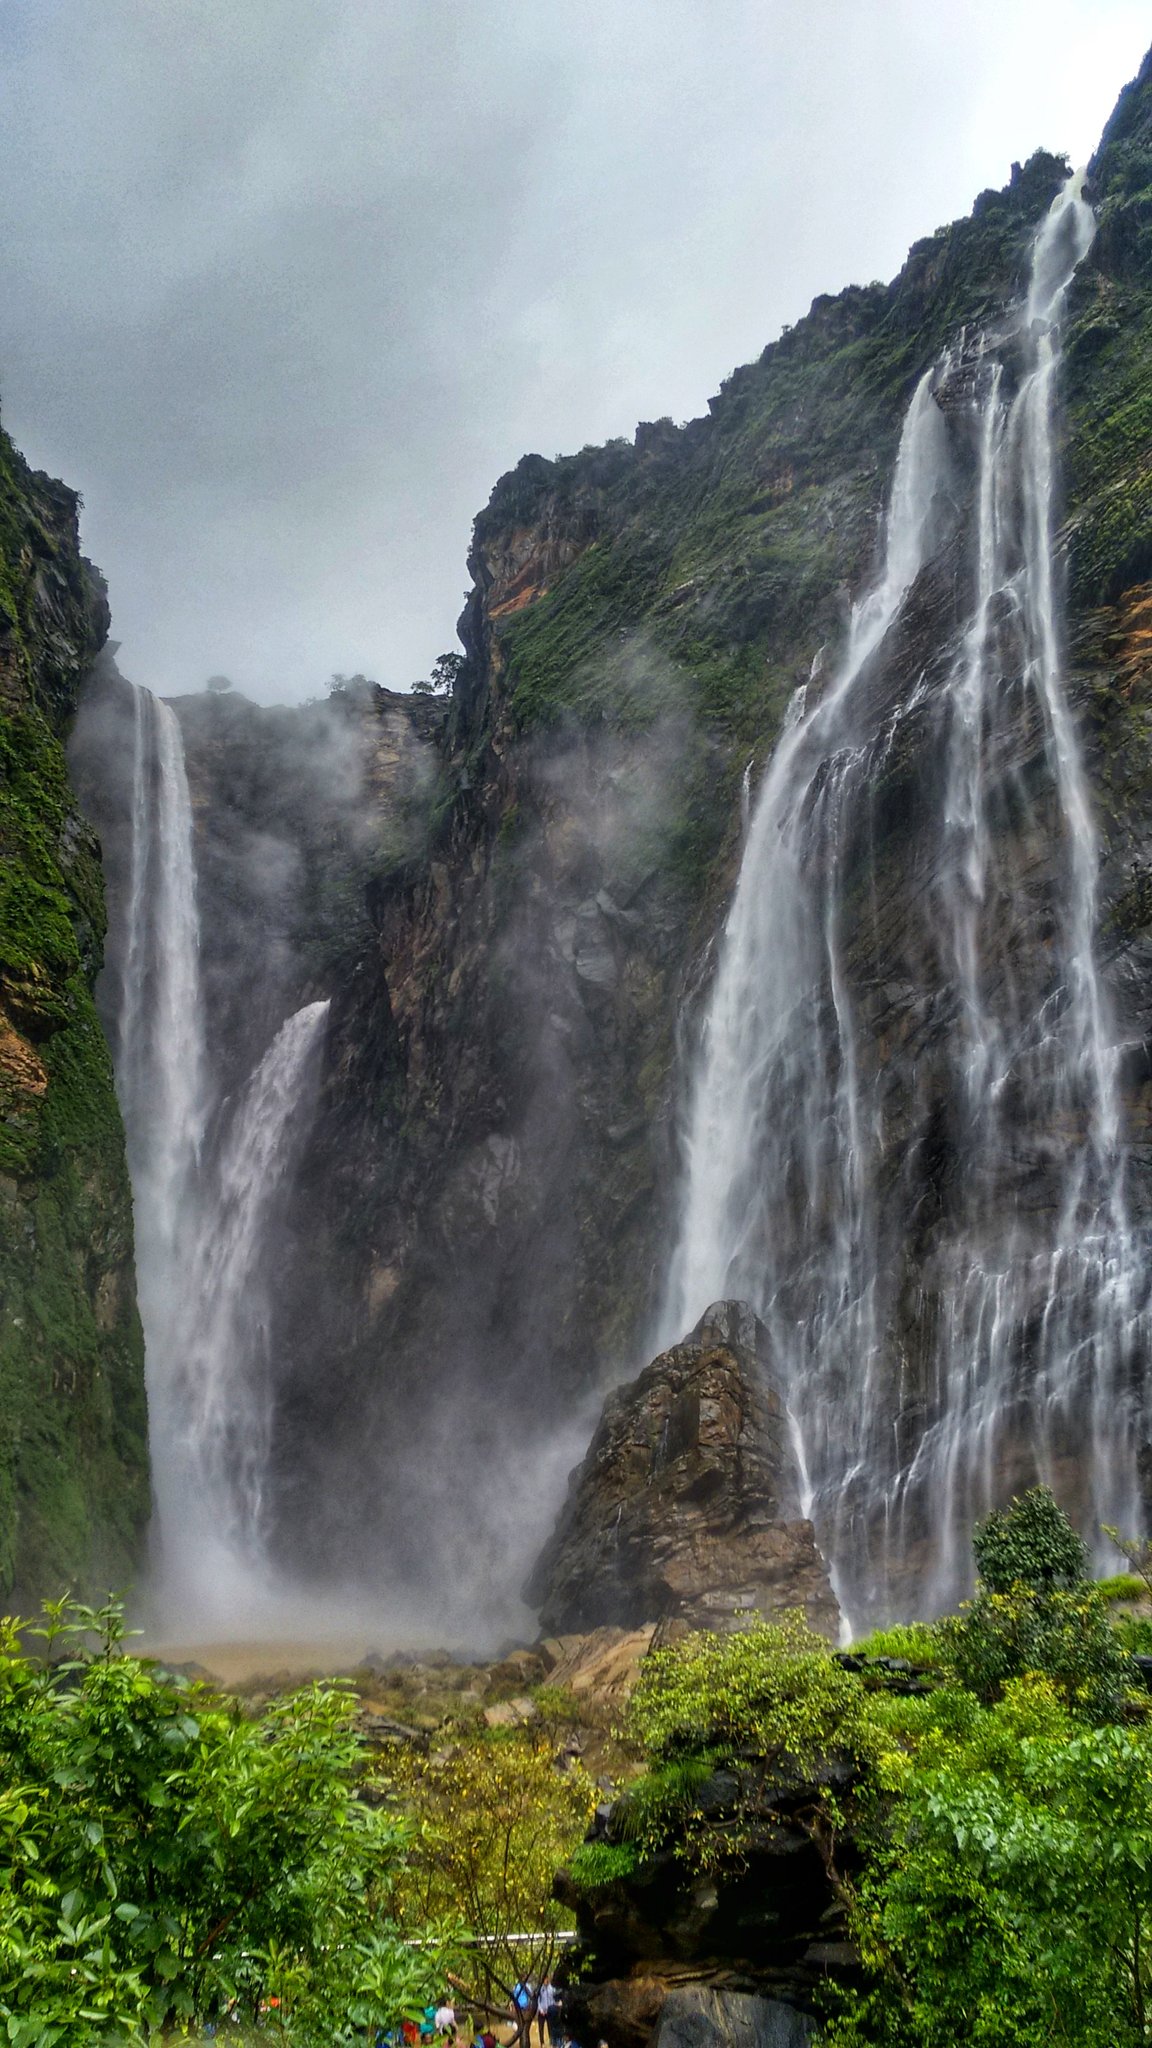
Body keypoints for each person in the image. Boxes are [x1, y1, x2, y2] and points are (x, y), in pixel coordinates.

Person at [536, 1978, 559, 2045]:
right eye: (545, 1979)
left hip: (550, 2011)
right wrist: (540, 2010)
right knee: (541, 2028)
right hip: (542, 2011)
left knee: (550, 2027)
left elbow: (553, 2000)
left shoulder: (551, 1988)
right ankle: (542, 2043)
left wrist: (554, 2006)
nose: (546, 1980)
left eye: (547, 1979)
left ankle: (552, 2042)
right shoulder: (540, 1988)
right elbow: (538, 2000)